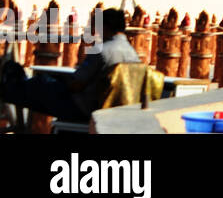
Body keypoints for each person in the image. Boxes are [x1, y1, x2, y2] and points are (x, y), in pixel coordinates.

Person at [0, 7, 138, 123]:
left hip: (83, 109)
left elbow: (76, 85)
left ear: (105, 27)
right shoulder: (132, 53)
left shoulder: (102, 50)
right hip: (109, 111)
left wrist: (61, 80)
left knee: (40, 84)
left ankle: (9, 87)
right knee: (41, 86)